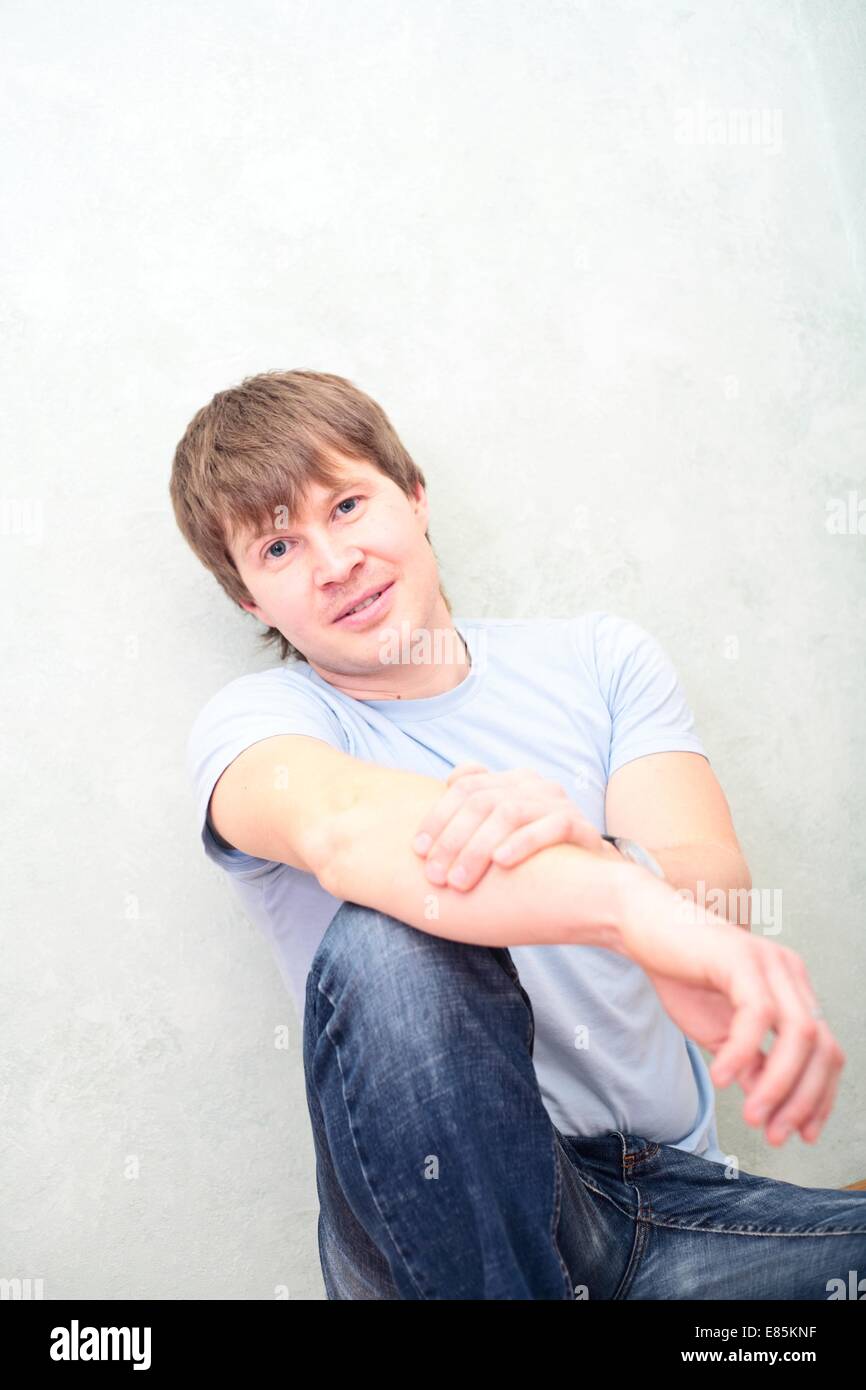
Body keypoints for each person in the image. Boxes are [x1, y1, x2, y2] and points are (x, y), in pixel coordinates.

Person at [170, 369, 865, 1299]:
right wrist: (619, 901)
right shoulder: (255, 727)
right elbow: (343, 831)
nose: (334, 563)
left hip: (665, 1208)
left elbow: (714, 880)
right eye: (280, 545)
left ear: (414, 497)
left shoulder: (599, 660)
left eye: (347, 505)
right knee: (392, 933)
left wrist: (618, 859)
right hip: (435, 1234)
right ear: (253, 601)